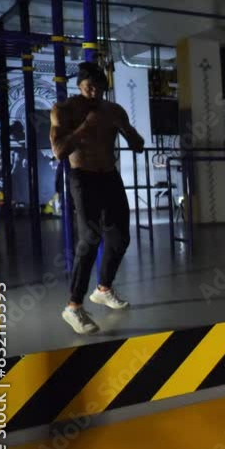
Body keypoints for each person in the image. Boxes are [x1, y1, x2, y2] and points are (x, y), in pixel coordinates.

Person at [50, 62, 145, 334]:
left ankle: (103, 289)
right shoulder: (64, 110)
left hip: (109, 177)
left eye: (99, 87)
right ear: (79, 85)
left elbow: (138, 146)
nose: (94, 92)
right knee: (90, 239)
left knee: (120, 237)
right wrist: (84, 128)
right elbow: (58, 151)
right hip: (83, 177)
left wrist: (125, 130)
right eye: (89, 87)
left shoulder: (113, 110)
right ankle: (74, 306)